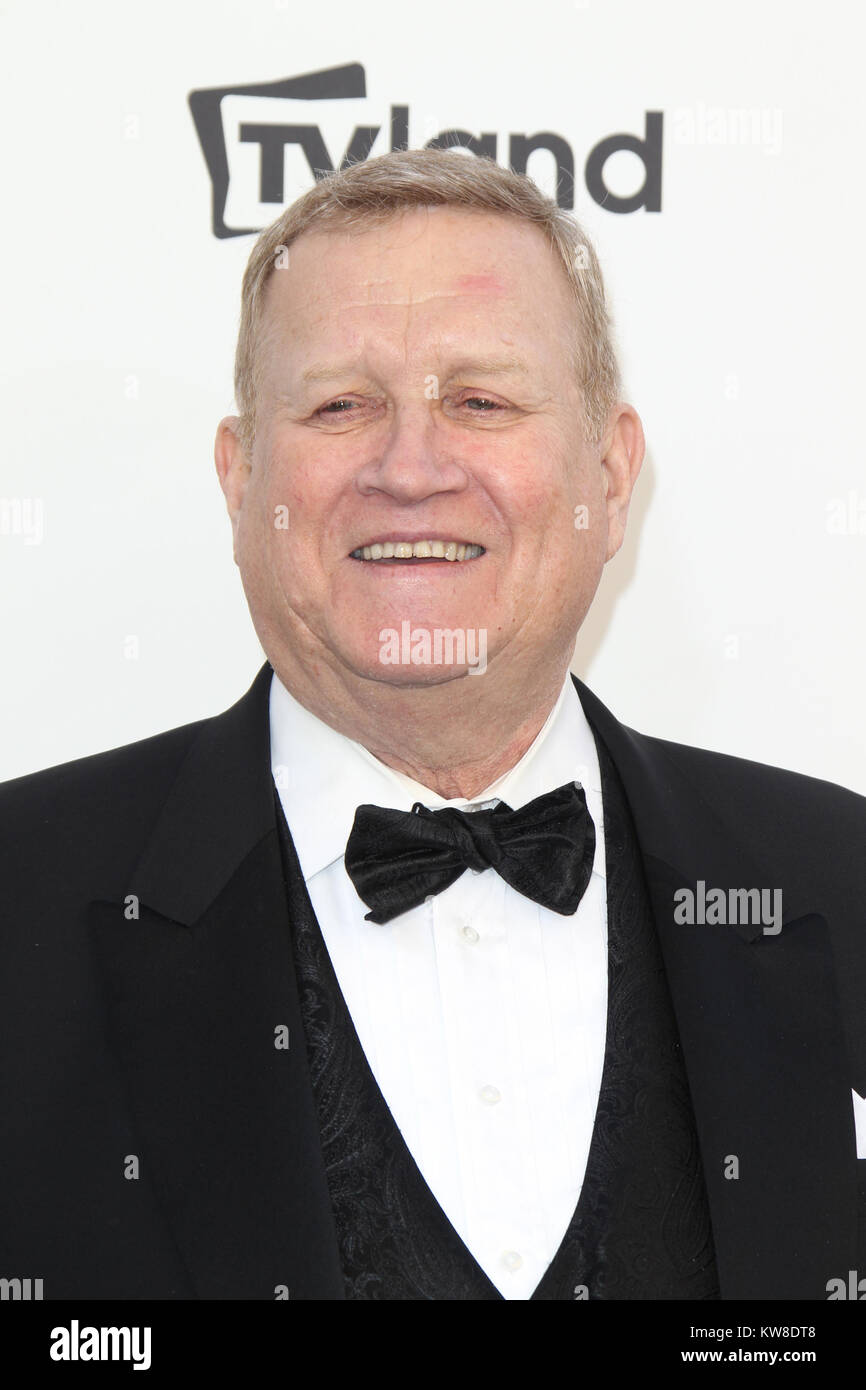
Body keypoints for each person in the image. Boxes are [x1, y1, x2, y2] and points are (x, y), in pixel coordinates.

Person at [1, 149, 864, 1302]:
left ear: (608, 477)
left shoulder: (838, 881)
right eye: (340, 405)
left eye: (480, 401)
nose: (409, 469)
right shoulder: (22, 899)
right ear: (238, 472)